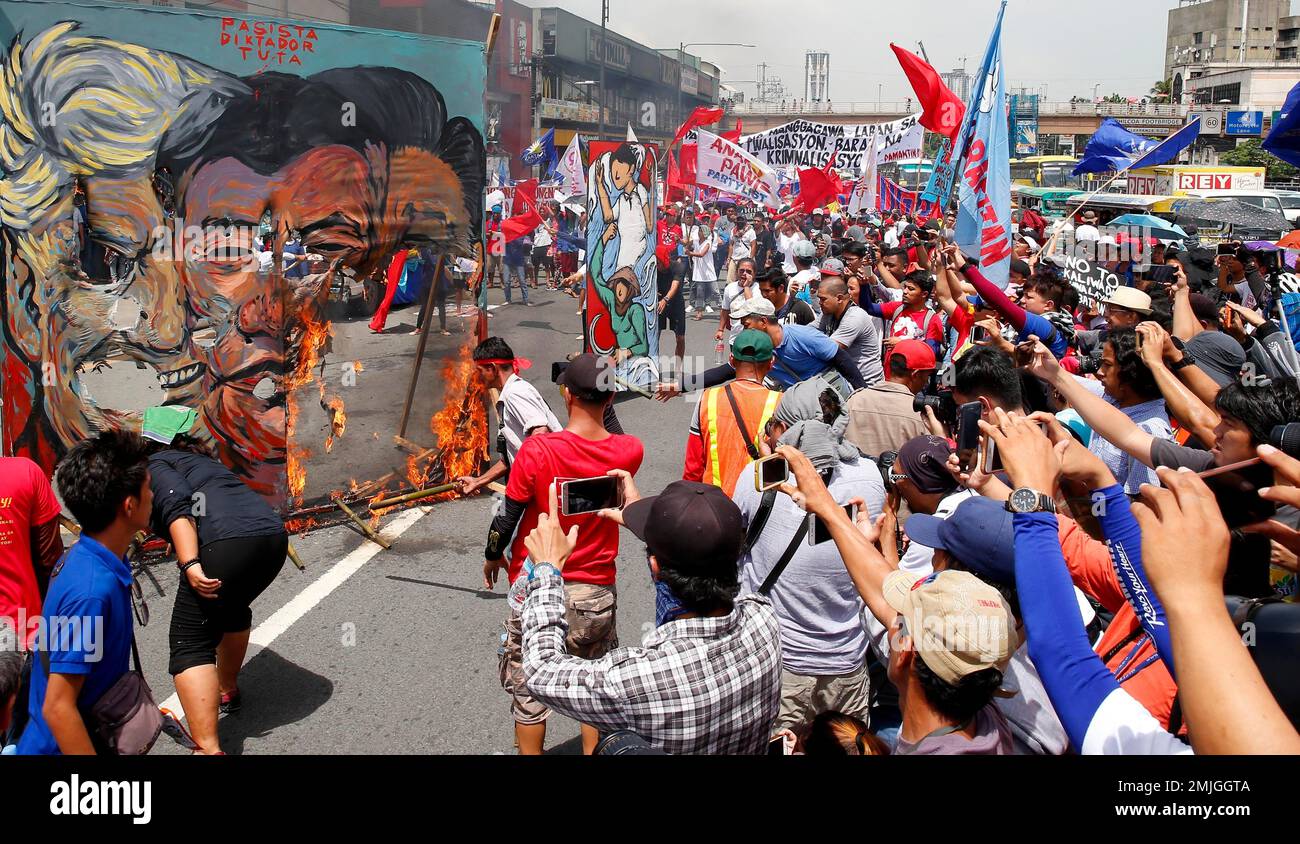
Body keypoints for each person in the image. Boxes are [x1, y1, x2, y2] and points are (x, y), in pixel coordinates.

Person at [776, 446, 1020, 755]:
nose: (892, 615)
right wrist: (828, 509)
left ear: (904, 651)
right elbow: (884, 588)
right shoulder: (981, 700)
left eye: (901, 620)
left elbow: (887, 601)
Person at [518, 476, 782, 755]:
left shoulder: (639, 679)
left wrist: (547, 567)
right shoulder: (764, 620)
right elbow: (709, 562)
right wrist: (645, 519)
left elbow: (541, 670)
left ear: (655, 567)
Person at [483, 354, 644, 755]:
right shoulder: (629, 452)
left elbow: (508, 515)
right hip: (595, 592)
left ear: (566, 394)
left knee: (528, 692)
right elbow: (615, 433)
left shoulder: (538, 451)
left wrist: (492, 555)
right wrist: (603, 402)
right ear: (610, 399)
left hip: (539, 586)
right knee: (592, 689)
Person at [140, 406, 288, 755]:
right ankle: (227, 688)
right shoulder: (204, 464)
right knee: (232, 608)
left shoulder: (157, 466)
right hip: (272, 539)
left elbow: (179, 506)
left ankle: (207, 748)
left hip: (227, 545)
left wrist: (190, 562)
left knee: (189, 642)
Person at [733, 410, 885, 736]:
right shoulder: (871, 477)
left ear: (786, 429)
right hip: (846, 665)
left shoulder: (757, 477)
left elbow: (738, 537)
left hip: (777, 667)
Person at [17, 430, 151, 755]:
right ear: (129, 505)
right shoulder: (90, 592)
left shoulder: (90, 558)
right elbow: (58, 708)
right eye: (149, 489)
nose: (154, 496)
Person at [456, 338, 562, 496]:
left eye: (480, 371)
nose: (478, 377)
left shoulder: (515, 393)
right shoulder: (511, 392)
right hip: (536, 486)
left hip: (545, 486)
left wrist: (524, 482)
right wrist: (477, 481)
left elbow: (541, 433)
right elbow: (511, 456)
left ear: (492, 368)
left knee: (504, 520)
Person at [683, 330, 781, 496]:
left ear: (731, 360)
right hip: (758, 505)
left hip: (714, 505)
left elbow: (693, 467)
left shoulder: (707, 399)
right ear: (771, 363)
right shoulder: (780, 403)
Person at [844, 341, 936, 459]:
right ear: (916, 374)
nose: (926, 382)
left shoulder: (854, 401)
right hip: (898, 477)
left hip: (856, 476)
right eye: (927, 376)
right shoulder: (921, 414)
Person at [816, 273, 884, 386]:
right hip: (846, 381)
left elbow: (827, 350)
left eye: (823, 299)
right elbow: (808, 331)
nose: (820, 303)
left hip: (867, 386)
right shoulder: (828, 313)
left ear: (839, 298)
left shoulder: (855, 316)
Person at [864, 270, 944, 358]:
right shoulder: (898, 308)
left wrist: (902, 343)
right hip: (890, 369)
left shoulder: (932, 319)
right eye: (905, 287)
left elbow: (931, 351)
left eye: (911, 289)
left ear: (924, 294)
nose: (905, 291)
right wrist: (864, 281)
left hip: (912, 370)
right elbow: (869, 308)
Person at [687, 215, 719, 318]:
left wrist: (690, 253)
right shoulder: (696, 241)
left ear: (704, 233)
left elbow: (701, 254)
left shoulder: (708, 242)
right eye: (699, 230)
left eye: (700, 231)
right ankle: (699, 313)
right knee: (699, 293)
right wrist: (680, 240)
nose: (698, 232)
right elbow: (686, 243)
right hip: (699, 272)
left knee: (715, 291)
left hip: (708, 271)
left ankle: (724, 308)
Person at [502, 229, 531, 306]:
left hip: (519, 260)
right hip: (507, 260)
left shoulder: (522, 235)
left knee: (522, 281)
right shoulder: (506, 235)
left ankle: (526, 300)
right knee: (506, 281)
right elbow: (499, 236)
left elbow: (528, 243)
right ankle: (508, 299)